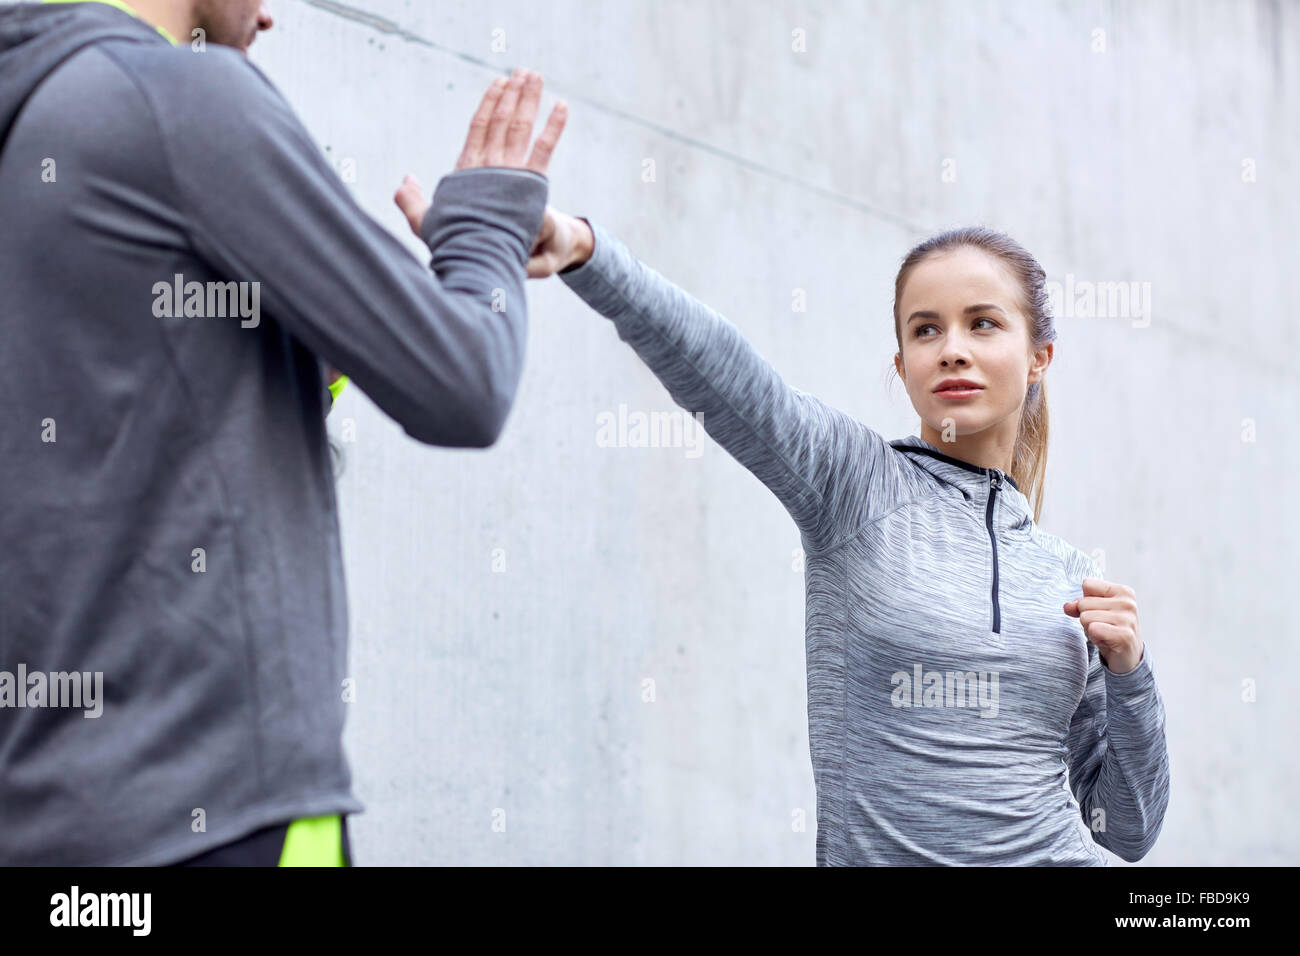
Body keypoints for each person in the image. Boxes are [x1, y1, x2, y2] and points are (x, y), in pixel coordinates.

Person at [0, 0, 566, 865]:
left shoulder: (34, 127)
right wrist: (486, 223)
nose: (269, 16)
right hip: (217, 814)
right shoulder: (180, 99)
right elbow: (464, 380)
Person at [510, 205, 1172, 864]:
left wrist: (1130, 674)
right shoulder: (854, 484)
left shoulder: (1068, 575)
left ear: (1038, 358)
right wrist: (589, 253)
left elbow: (1125, 831)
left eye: (983, 323)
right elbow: (731, 377)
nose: (952, 349)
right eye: (925, 330)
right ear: (903, 362)